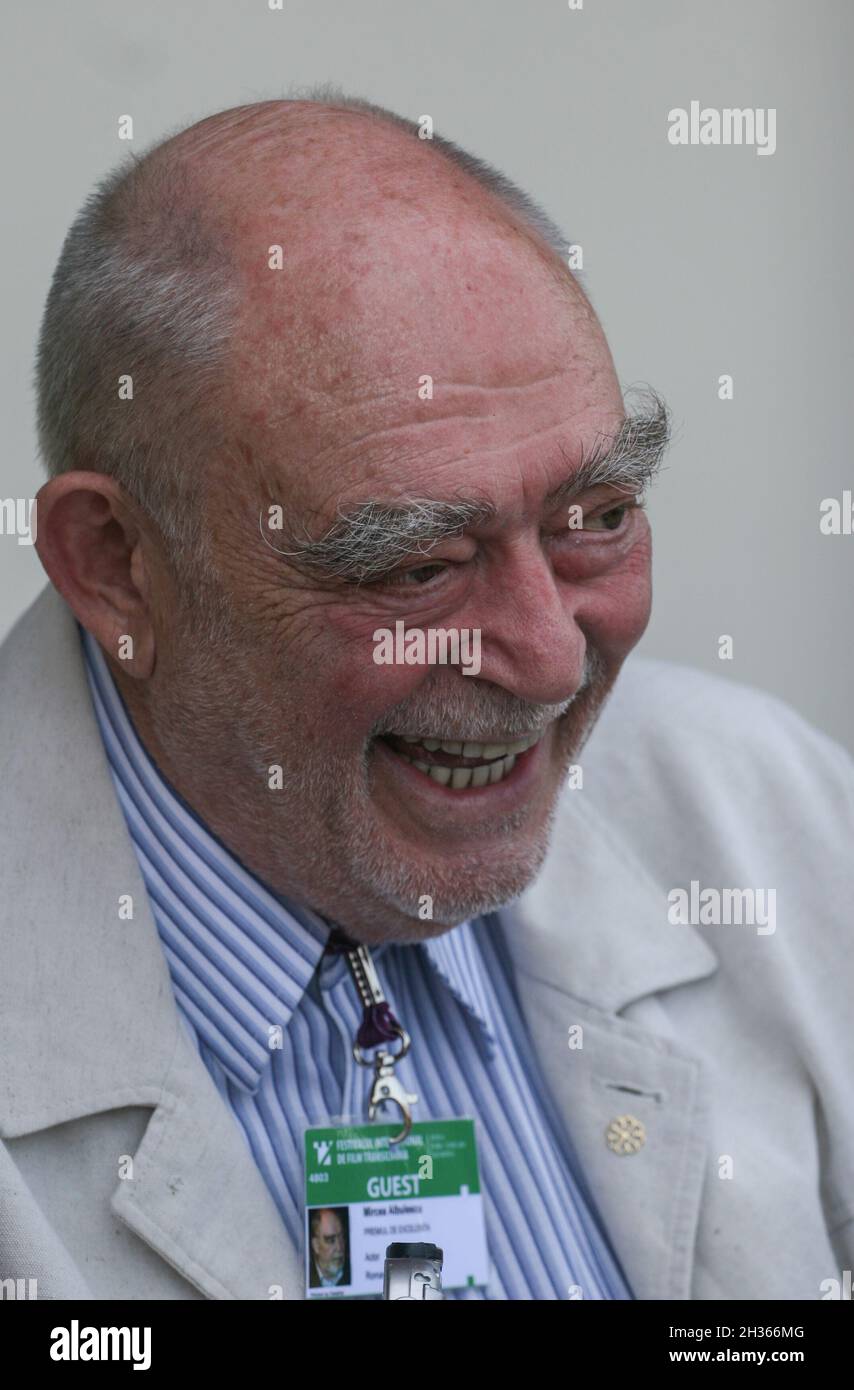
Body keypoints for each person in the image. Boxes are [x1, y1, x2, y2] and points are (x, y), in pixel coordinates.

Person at [1, 91, 851, 1302]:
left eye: (596, 518)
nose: (549, 661)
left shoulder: (768, 815)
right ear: (116, 566)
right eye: (416, 566)